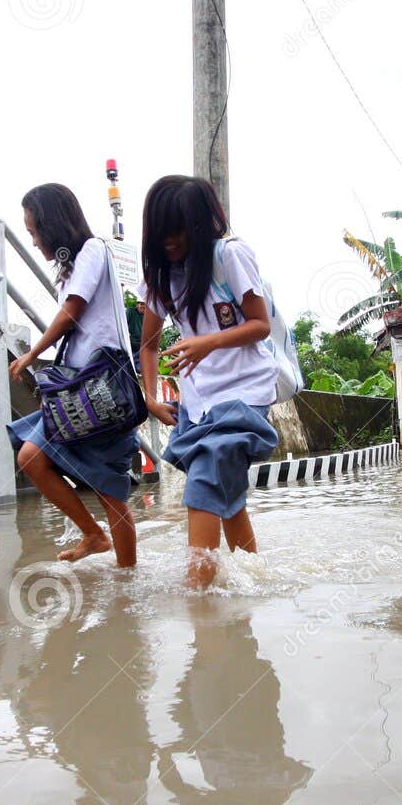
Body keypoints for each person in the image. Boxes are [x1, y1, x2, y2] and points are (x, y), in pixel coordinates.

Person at [136, 175, 278, 589]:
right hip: (199, 404)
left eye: (178, 230)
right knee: (227, 496)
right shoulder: (161, 278)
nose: (170, 240)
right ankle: (255, 581)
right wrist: (149, 396)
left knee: (202, 484)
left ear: (200, 224)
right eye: (161, 232)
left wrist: (208, 342)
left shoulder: (228, 257)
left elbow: (260, 324)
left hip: (244, 393)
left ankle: (197, 598)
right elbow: (148, 346)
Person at [7, 183, 137, 566]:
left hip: (105, 387)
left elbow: (73, 311)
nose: (33, 241)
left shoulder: (95, 250)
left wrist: (33, 352)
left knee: (109, 490)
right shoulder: (73, 267)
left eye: (33, 231)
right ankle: (94, 535)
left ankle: (127, 586)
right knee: (31, 456)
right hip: (77, 391)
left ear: (53, 225)